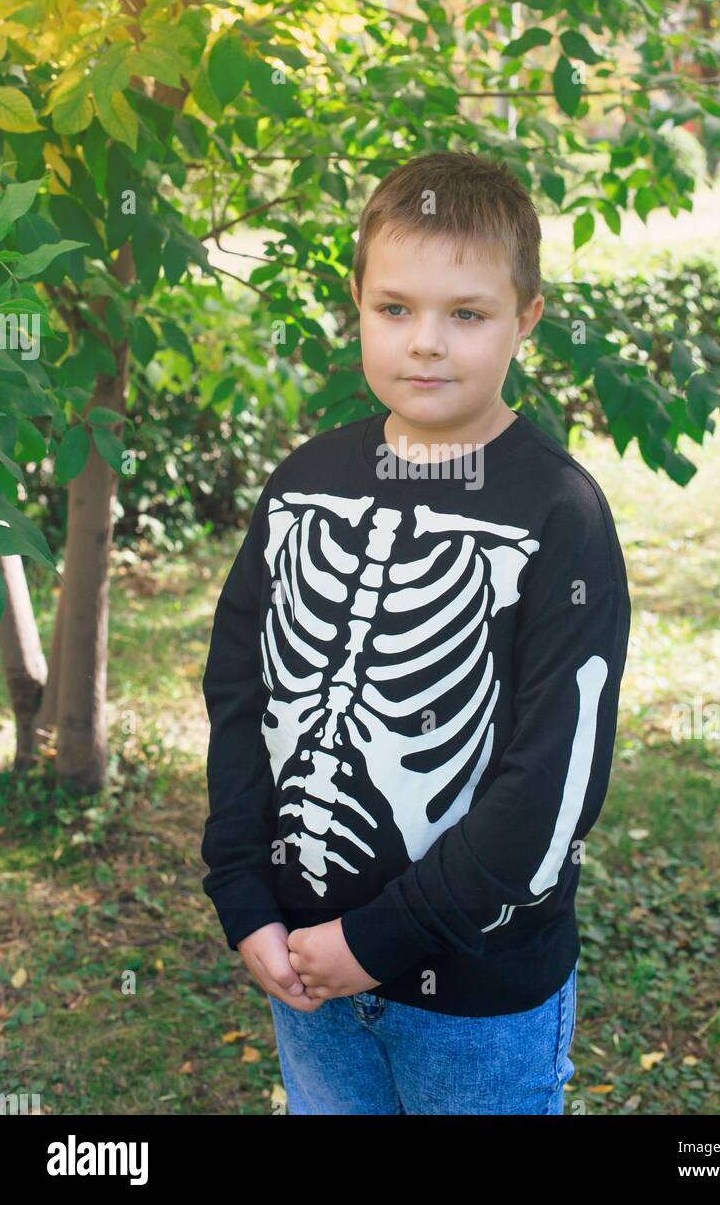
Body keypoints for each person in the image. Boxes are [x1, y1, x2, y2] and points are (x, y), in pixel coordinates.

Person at [200, 150, 631, 1115]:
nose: (425, 344)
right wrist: (244, 896)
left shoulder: (559, 514)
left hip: (478, 1002)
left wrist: (375, 945)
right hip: (302, 970)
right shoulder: (303, 483)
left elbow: (552, 784)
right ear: (356, 302)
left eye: (466, 314)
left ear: (527, 318)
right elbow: (238, 695)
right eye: (394, 309)